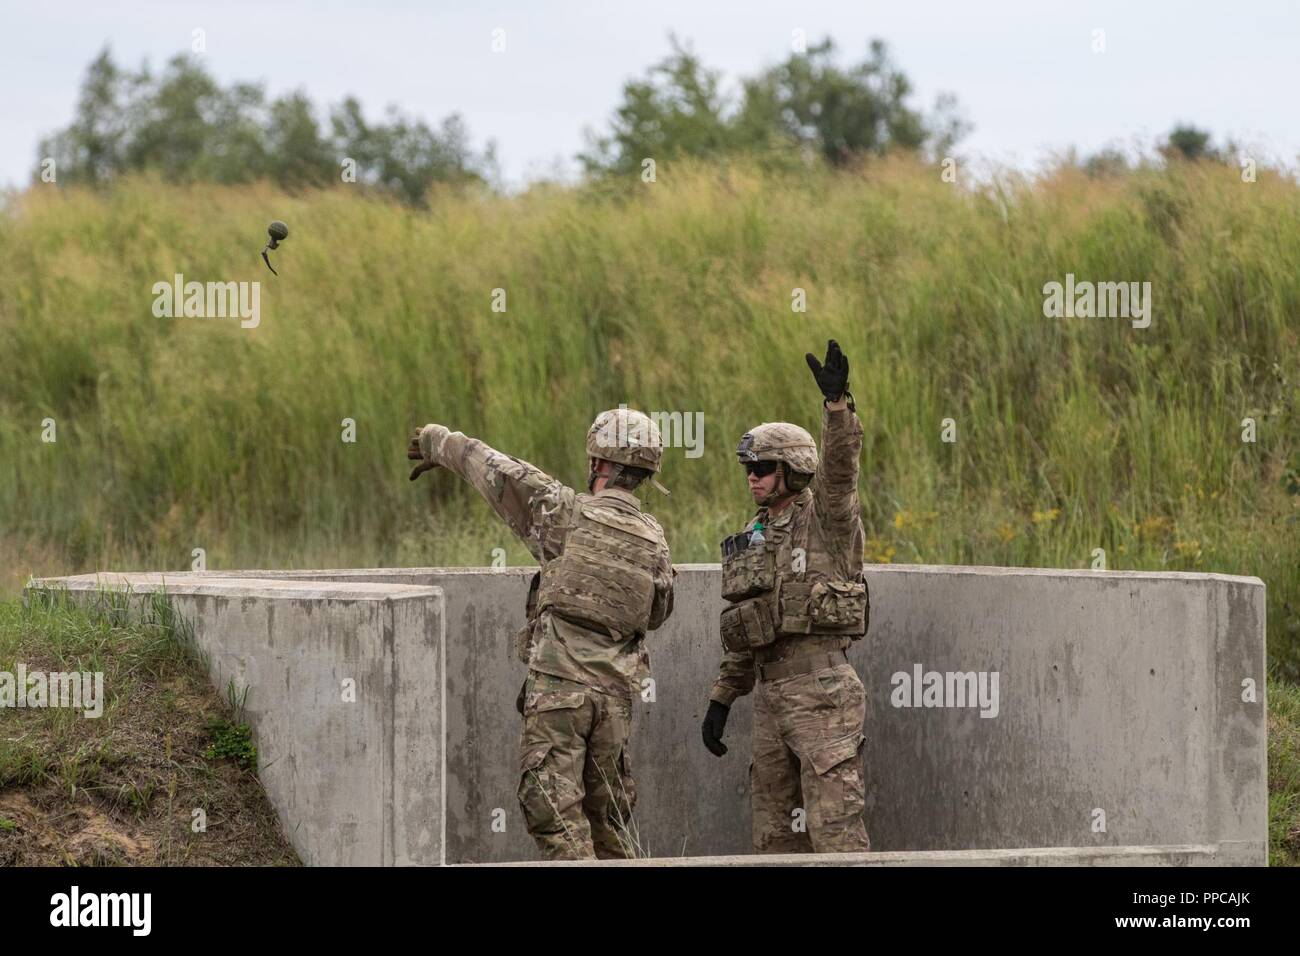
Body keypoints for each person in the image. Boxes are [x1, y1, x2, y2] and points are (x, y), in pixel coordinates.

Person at [408, 408, 674, 859]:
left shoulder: (566, 515)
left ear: (598, 464)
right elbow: (658, 612)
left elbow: (498, 471)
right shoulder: (654, 540)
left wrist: (438, 442)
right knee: (608, 823)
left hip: (560, 693)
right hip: (616, 703)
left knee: (553, 811)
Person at [700, 340, 871, 852]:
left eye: (763, 468)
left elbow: (841, 473)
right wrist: (722, 699)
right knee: (774, 836)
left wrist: (837, 407)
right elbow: (745, 625)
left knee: (835, 829)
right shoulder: (751, 535)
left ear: (793, 471)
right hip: (771, 698)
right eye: (748, 469)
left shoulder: (827, 520)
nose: (752, 478)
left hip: (822, 691)